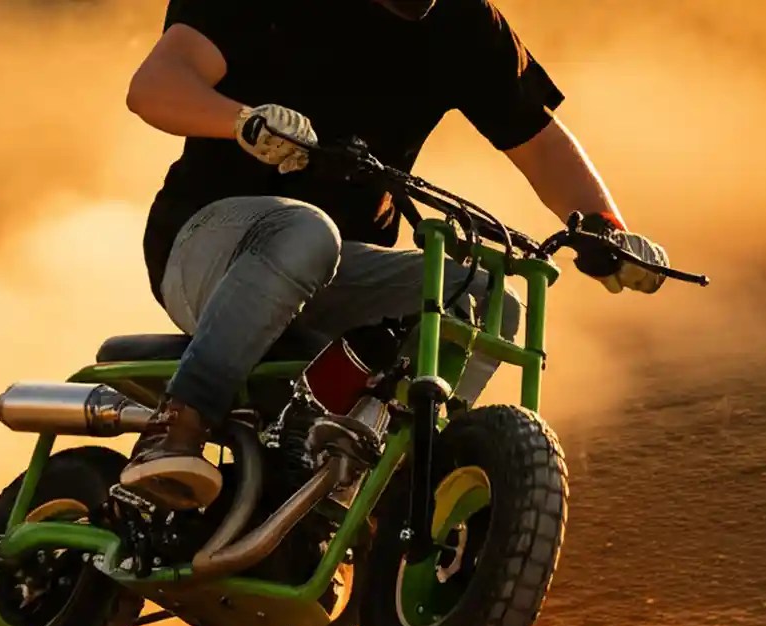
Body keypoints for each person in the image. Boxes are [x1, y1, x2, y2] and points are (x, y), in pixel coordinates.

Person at [120, 0, 669, 505]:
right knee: (309, 231)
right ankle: (177, 424)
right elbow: (154, 86)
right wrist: (242, 122)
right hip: (211, 244)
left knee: (487, 303)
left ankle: (368, 483)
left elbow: (540, 142)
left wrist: (606, 231)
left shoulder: (465, 23)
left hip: (338, 270)